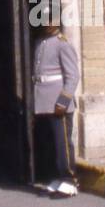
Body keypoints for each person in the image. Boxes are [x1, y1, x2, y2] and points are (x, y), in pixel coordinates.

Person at [32, 15, 80, 196]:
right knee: (50, 143)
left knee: (63, 144)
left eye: (49, 19)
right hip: (43, 101)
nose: (45, 23)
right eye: (43, 19)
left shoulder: (63, 43)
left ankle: (69, 180)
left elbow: (73, 76)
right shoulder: (40, 42)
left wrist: (63, 101)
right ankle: (57, 177)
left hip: (58, 102)